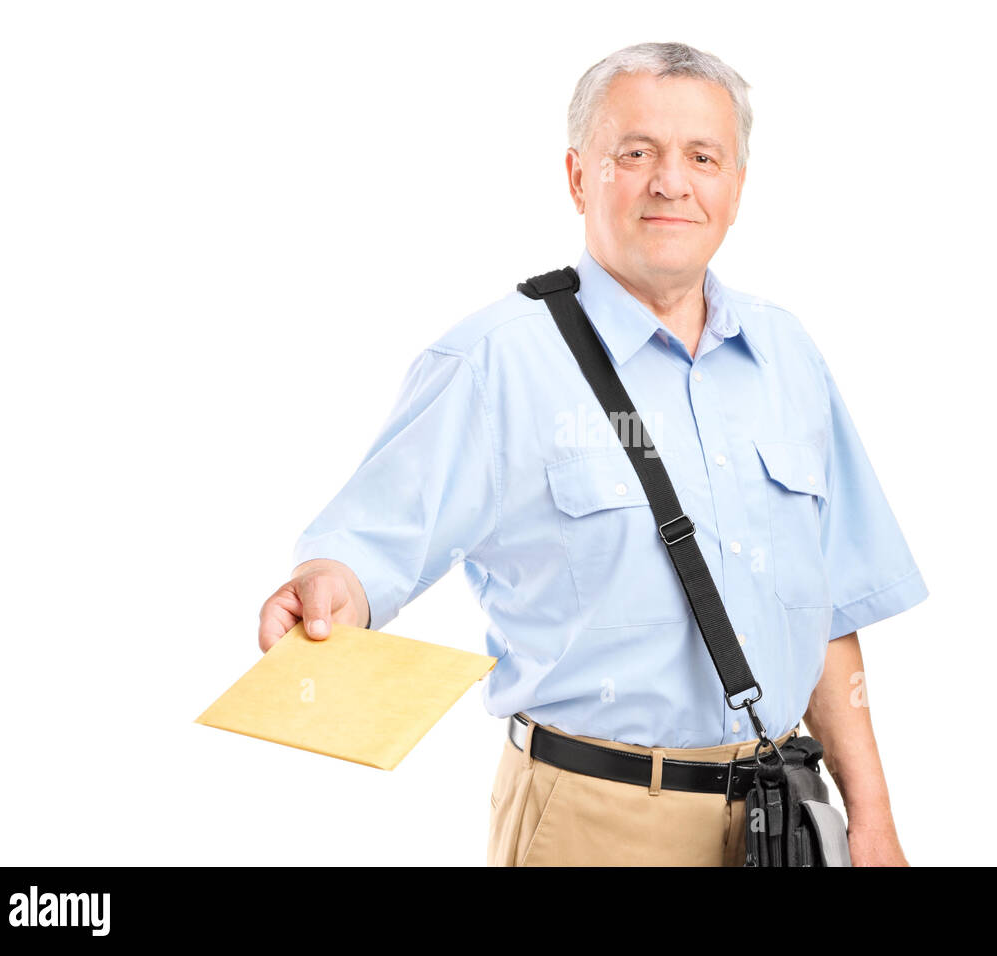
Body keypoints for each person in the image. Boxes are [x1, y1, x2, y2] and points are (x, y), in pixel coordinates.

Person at [257, 41, 928, 866]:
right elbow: (360, 555)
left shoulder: (788, 355)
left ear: (737, 187)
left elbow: (832, 613)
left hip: (781, 820)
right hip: (592, 825)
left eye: (702, 157)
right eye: (636, 153)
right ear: (579, 176)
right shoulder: (496, 362)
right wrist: (331, 588)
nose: (670, 182)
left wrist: (873, 818)